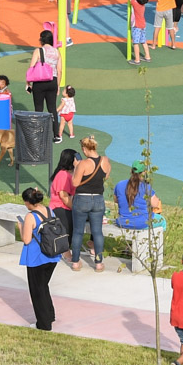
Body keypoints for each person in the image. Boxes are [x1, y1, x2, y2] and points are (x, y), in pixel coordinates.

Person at [17, 186, 60, 329]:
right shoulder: (49, 210)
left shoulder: (30, 216)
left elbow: (26, 240)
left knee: (37, 291)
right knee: (43, 287)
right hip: (52, 255)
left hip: (37, 258)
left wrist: (21, 227)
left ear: (28, 202)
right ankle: (50, 315)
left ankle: (43, 324)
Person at [68, 135, 111, 271]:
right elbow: (105, 176)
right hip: (98, 198)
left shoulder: (83, 164)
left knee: (78, 232)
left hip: (82, 199)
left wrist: (76, 167)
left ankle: (75, 262)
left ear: (84, 149)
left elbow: (75, 183)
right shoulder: (105, 160)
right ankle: (98, 263)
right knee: (97, 232)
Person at [113, 165, 165, 274]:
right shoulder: (146, 187)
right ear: (144, 172)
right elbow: (155, 204)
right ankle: (156, 251)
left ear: (131, 170)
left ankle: (129, 247)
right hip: (141, 222)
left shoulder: (120, 184)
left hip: (123, 221)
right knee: (162, 221)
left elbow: (116, 200)